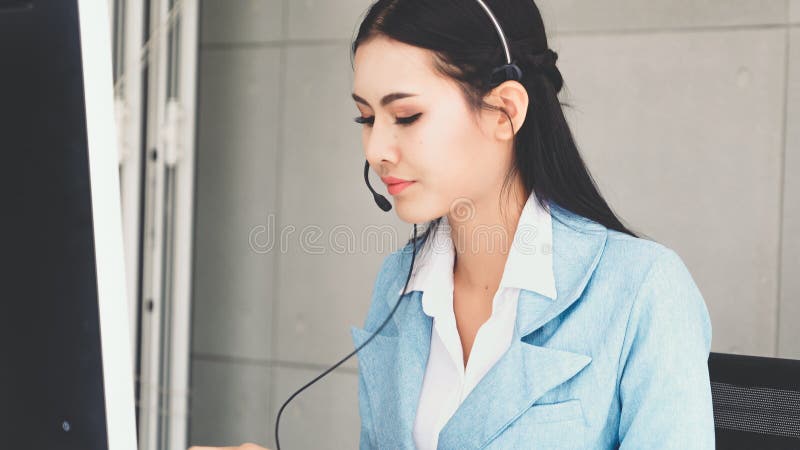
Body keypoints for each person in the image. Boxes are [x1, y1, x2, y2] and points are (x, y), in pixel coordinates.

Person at [191, 0, 715, 449]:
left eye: (406, 116)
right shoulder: (401, 285)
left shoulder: (644, 291)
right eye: (366, 118)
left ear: (504, 111)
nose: (376, 150)